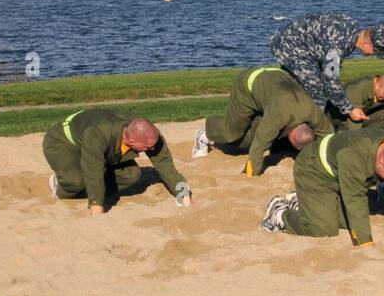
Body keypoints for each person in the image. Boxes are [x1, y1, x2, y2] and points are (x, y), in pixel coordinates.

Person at [260, 129, 384, 246]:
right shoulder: (354, 157)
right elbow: (354, 200)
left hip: (338, 173)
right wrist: (365, 242)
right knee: (323, 230)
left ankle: (301, 201)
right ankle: (280, 214)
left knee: (343, 221)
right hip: (313, 170)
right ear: (380, 162)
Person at [193, 65, 332, 176]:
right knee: (233, 134)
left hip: (277, 78)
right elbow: (258, 147)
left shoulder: (314, 113)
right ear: (293, 136)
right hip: (248, 85)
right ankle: (205, 134)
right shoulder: (277, 117)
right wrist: (250, 174)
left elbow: (329, 136)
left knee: (254, 135)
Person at [44, 110, 193, 213]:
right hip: (63, 142)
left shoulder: (150, 135)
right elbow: (93, 172)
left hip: (101, 146)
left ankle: (87, 190)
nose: (151, 149)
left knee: (131, 174)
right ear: (131, 140)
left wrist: (185, 196)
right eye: (147, 148)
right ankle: (60, 186)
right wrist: (97, 209)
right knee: (75, 181)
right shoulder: (98, 134)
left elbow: (166, 166)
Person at [270, 12, 384, 121]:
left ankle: (291, 112)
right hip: (290, 45)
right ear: (366, 42)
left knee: (308, 86)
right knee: (317, 92)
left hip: (304, 44)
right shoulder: (338, 44)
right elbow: (331, 80)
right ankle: (311, 131)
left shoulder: (353, 30)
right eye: (375, 50)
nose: (373, 54)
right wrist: (349, 110)